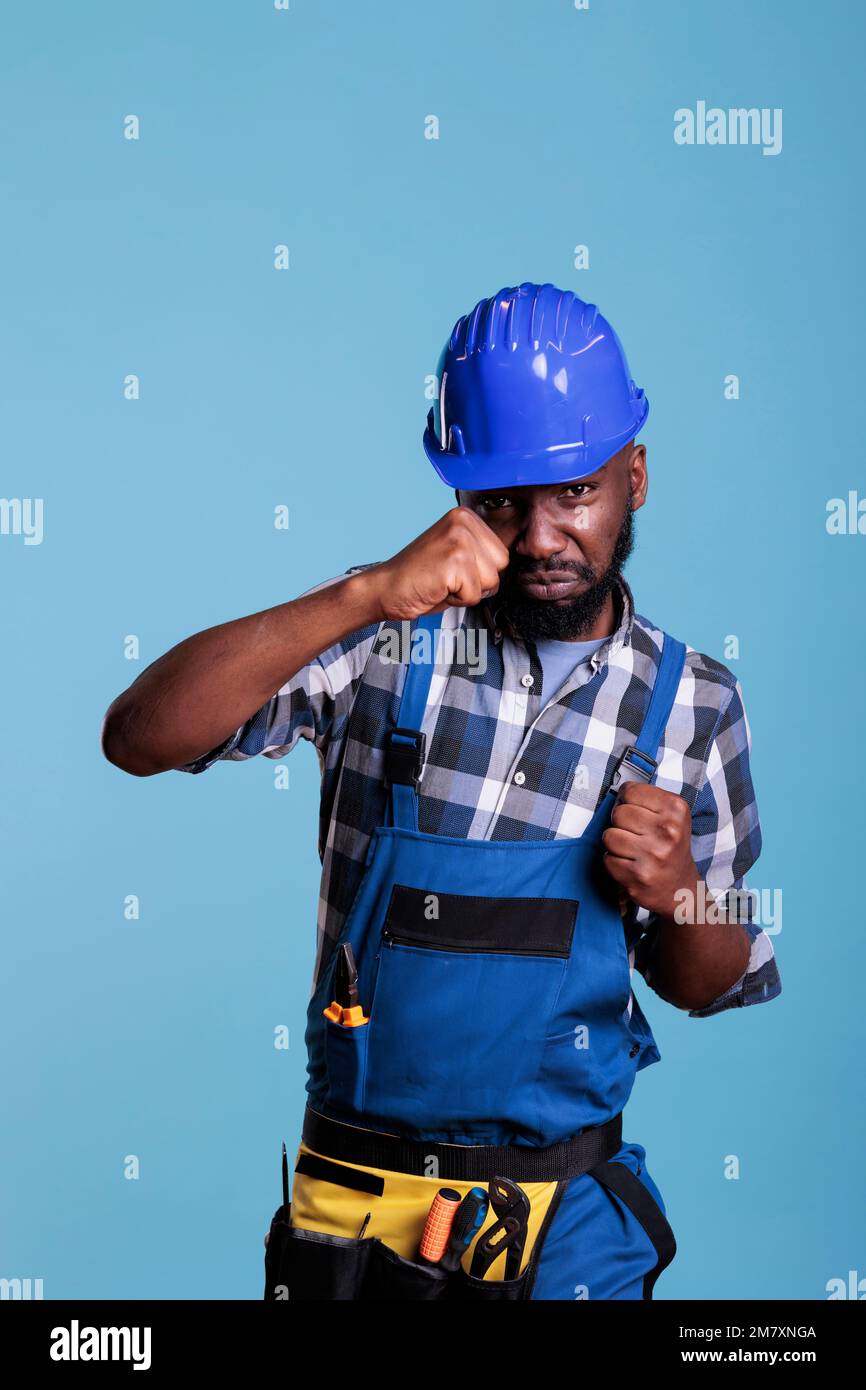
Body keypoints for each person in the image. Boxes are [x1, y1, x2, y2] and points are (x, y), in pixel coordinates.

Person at [102, 281, 781, 1301]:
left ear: (632, 477)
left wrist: (679, 884)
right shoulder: (381, 641)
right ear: (459, 497)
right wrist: (365, 590)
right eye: (502, 502)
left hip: (563, 1229)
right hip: (360, 1222)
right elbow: (140, 735)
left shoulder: (694, 702)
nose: (541, 537)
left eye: (573, 493)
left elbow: (709, 980)